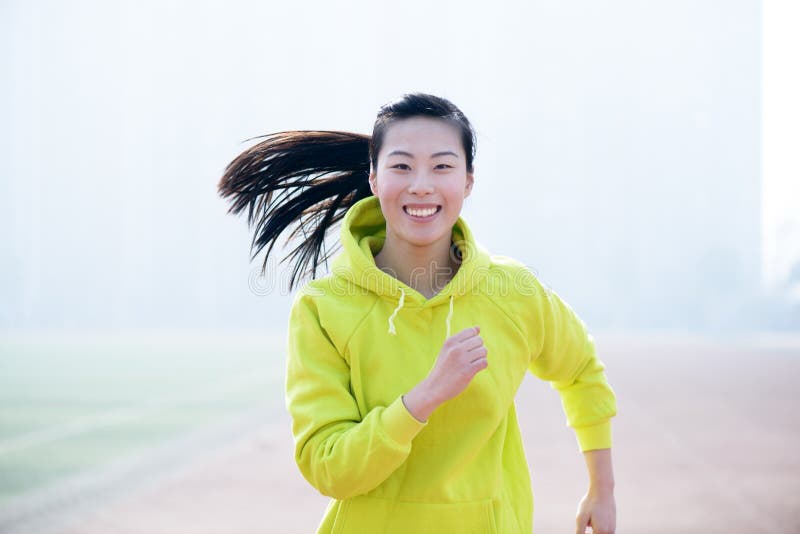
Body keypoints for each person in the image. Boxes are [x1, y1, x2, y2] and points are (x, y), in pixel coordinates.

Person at [218, 93, 618, 534]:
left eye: (442, 166)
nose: (422, 185)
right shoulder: (324, 308)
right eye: (402, 166)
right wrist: (422, 399)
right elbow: (328, 468)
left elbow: (580, 368)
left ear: (468, 181)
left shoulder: (513, 291)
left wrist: (602, 489)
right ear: (374, 178)